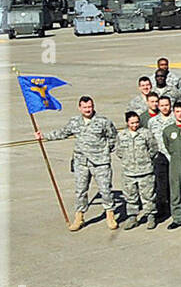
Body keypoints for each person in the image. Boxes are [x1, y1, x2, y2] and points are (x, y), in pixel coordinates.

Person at [40, 95, 118, 231]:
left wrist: (105, 151)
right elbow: (63, 132)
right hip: (81, 162)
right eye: (85, 107)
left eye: (90, 107)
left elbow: (113, 137)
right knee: (81, 191)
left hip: (100, 162)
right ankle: (79, 217)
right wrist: (44, 136)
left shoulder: (103, 121)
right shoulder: (75, 122)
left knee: (105, 190)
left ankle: (110, 215)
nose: (88, 110)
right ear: (80, 108)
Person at [117, 111, 158, 230]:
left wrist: (145, 159)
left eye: (136, 122)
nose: (135, 125)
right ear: (127, 123)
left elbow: (153, 149)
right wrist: (128, 161)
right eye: (132, 123)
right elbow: (119, 151)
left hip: (145, 171)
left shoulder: (145, 133)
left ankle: (150, 216)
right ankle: (132, 217)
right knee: (130, 196)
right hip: (129, 172)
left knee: (148, 196)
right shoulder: (122, 135)